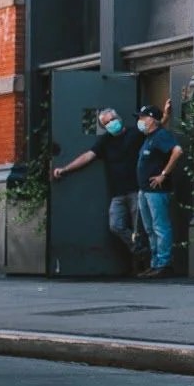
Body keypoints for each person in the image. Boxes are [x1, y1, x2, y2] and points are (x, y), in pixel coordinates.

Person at [50, 104, 143, 275]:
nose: (111, 125)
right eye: (107, 123)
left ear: (119, 119)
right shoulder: (106, 140)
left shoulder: (134, 134)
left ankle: (143, 263)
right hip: (118, 193)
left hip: (136, 190)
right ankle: (138, 248)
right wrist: (65, 169)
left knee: (140, 227)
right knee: (115, 225)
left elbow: (153, 134)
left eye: (112, 120)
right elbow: (88, 156)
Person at [134, 104, 184, 277]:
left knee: (160, 227)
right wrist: (166, 116)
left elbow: (177, 151)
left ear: (151, 119)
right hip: (145, 190)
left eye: (142, 117)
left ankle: (164, 263)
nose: (140, 121)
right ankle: (155, 263)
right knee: (150, 228)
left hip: (156, 191)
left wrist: (163, 174)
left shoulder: (161, 135)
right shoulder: (151, 136)